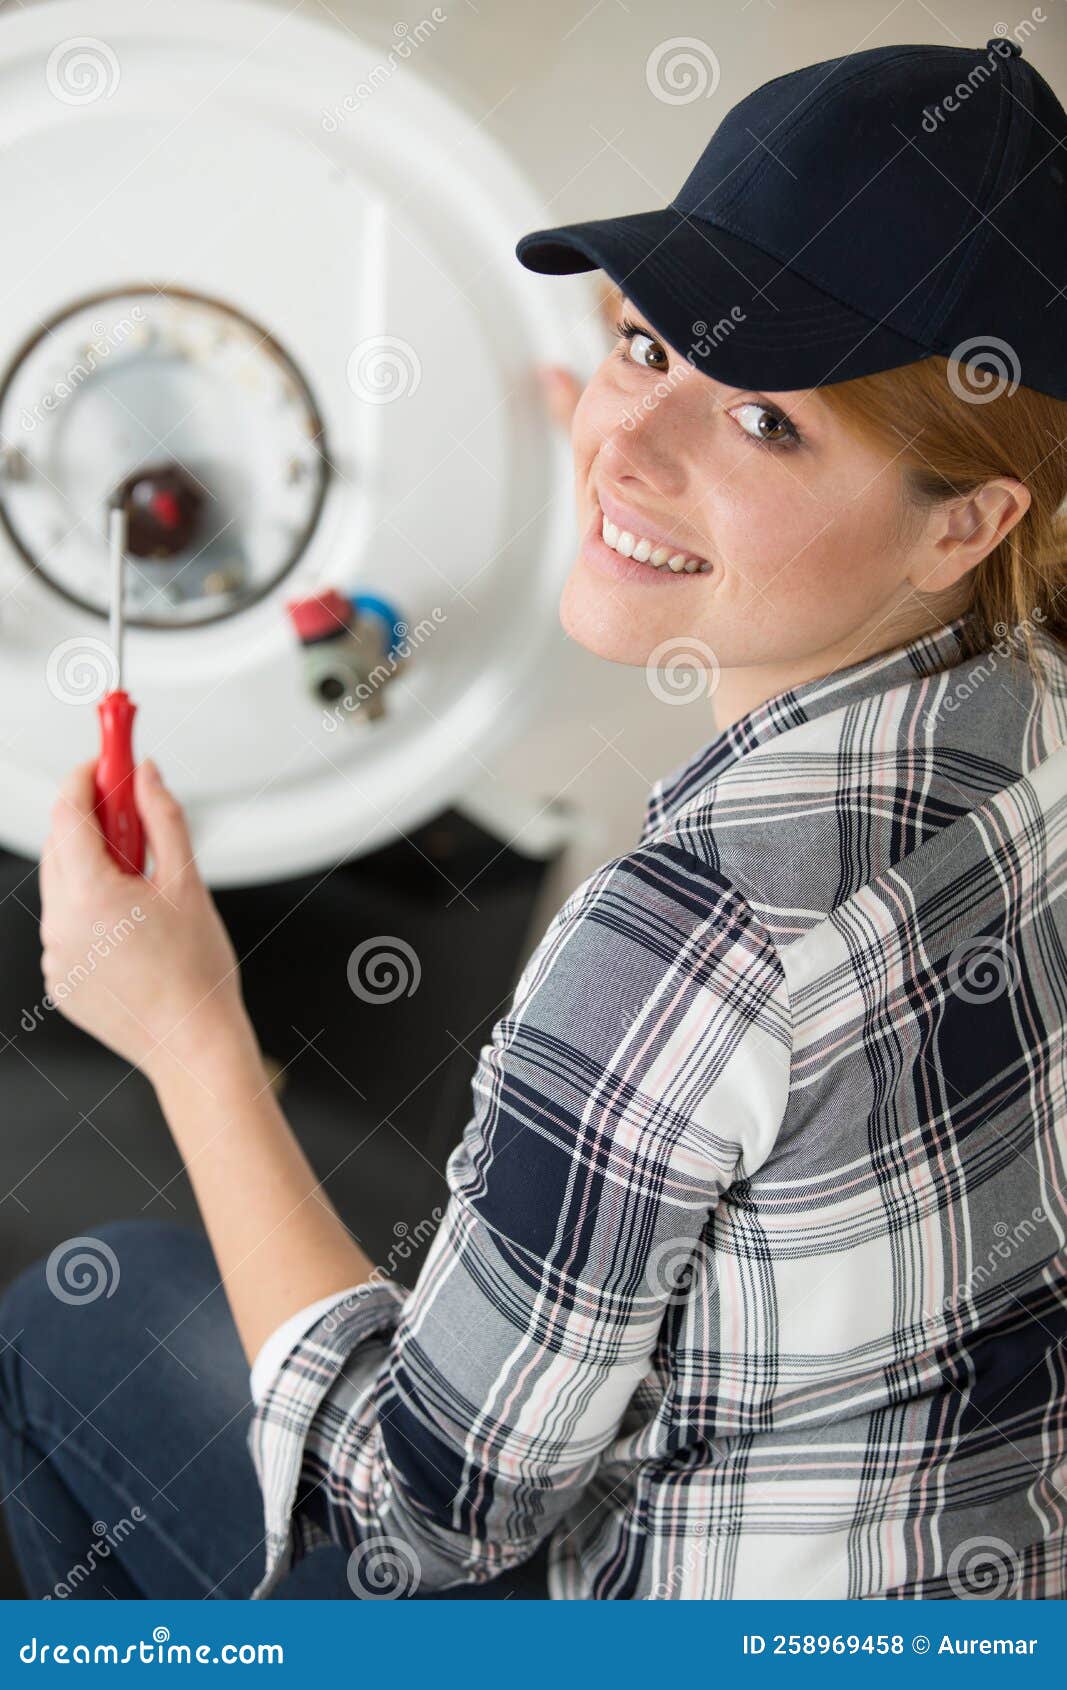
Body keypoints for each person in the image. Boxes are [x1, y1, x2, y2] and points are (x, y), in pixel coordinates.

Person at [1, 37, 1065, 1601]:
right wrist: (692, 488)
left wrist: (187, 1027)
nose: (625, 442)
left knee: (62, 1324)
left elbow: (411, 1525)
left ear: (967, 521)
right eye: (644, 341)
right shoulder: (1031, 696)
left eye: (770, 420)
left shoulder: (691, 941)